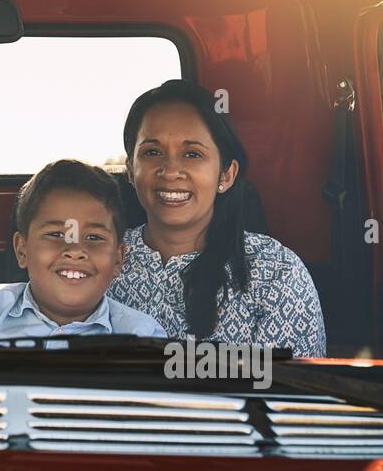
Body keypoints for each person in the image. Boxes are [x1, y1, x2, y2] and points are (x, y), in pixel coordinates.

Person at [107, 79, 326, 357]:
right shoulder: (97, 259)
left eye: (192, 154)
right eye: (152, 152)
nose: (170, 171)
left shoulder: (277, 274)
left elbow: (290, 384)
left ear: (226, 175)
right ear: (130, 170)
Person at [0, 159, 166, 343]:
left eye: (94, 237)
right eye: (56, 234)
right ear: (22, 250)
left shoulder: (142, 335)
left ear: (118, 258)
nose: (74, 251)